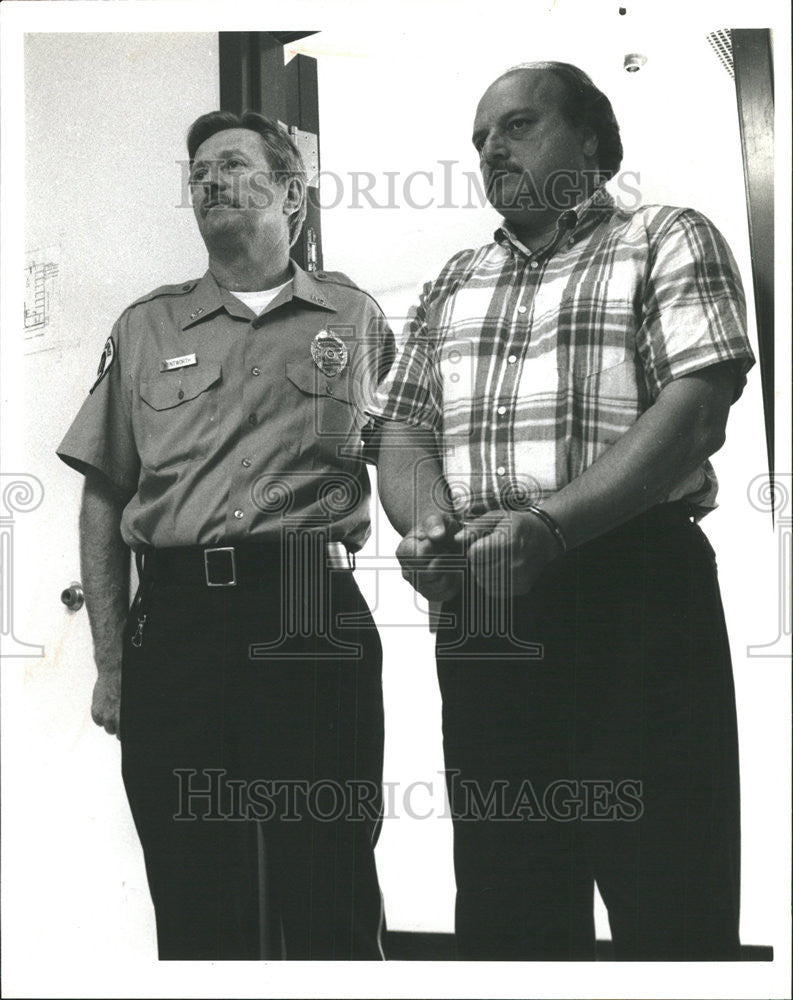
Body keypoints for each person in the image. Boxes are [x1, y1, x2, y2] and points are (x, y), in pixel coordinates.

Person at [372, 62, 754, 960]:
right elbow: (400, 433)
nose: (490, 149)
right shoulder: (451, 279)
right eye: (479, 139)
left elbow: (696, 407)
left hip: (633, 592)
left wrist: (551, 528)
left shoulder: (663, 234)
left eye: (515, 124)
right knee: (509, 910)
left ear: (589, 138)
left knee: (670, 897)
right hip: (487, 606)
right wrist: (427, 529)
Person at [57, 111, 393, 960]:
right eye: (197, 169)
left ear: (291, 191)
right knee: (194, 885)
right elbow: (103, 501)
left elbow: (410, 452)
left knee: (329, 879)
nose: (206, 180)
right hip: (178, 627)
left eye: (232, 164)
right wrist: (111, 663)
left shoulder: (354, 318)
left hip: (309, 610)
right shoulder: (146, 328)